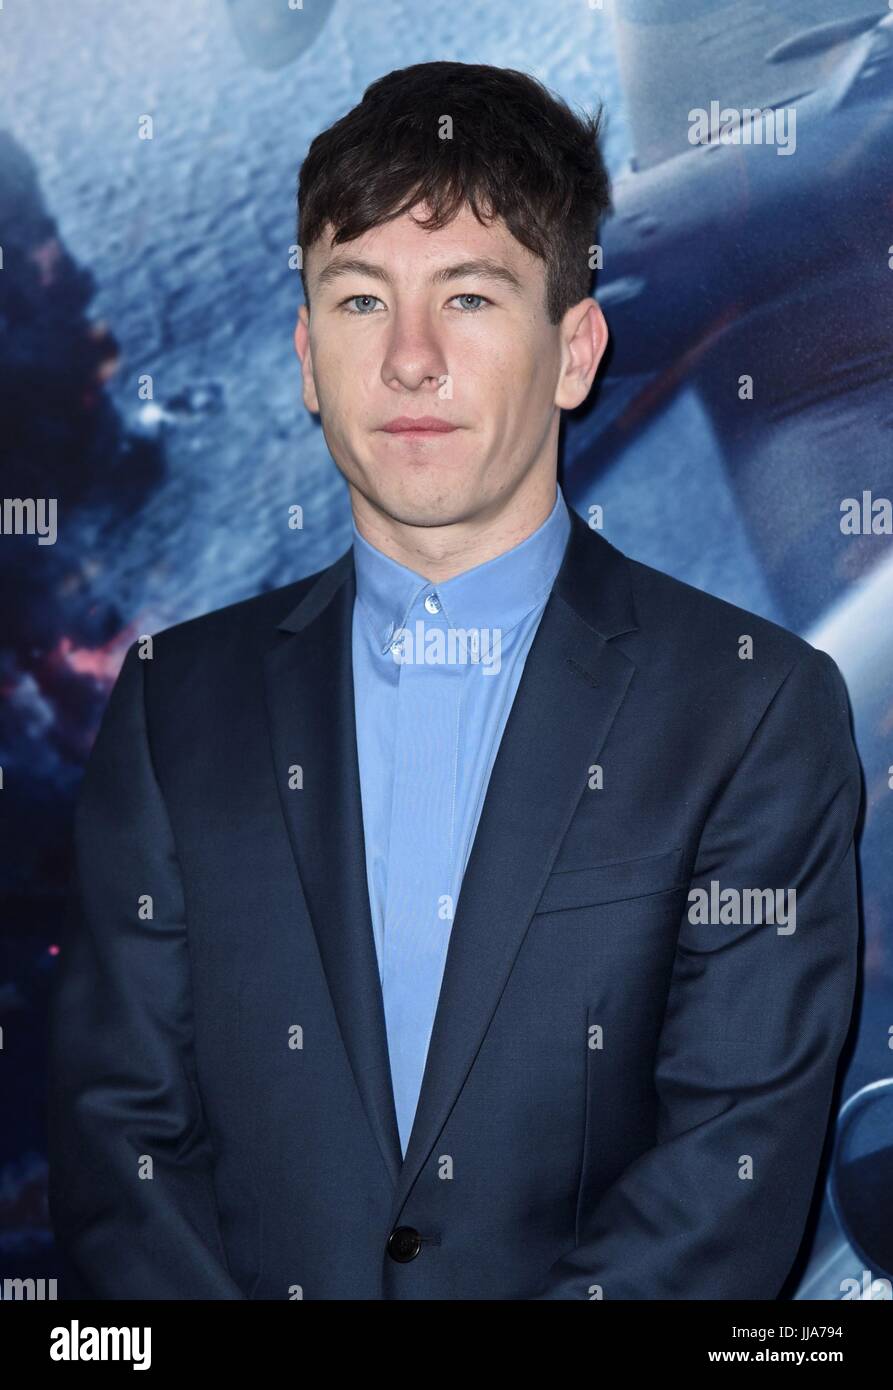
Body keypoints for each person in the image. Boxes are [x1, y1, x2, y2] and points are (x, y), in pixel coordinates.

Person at [47, 60, 862, 1300]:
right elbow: (120, 1150)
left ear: (573, 347)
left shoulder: (756, 712)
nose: (409, 360)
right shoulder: (171, 712)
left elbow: (727, 1172)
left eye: (470, 297)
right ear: (308, 357)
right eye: (360, 303)